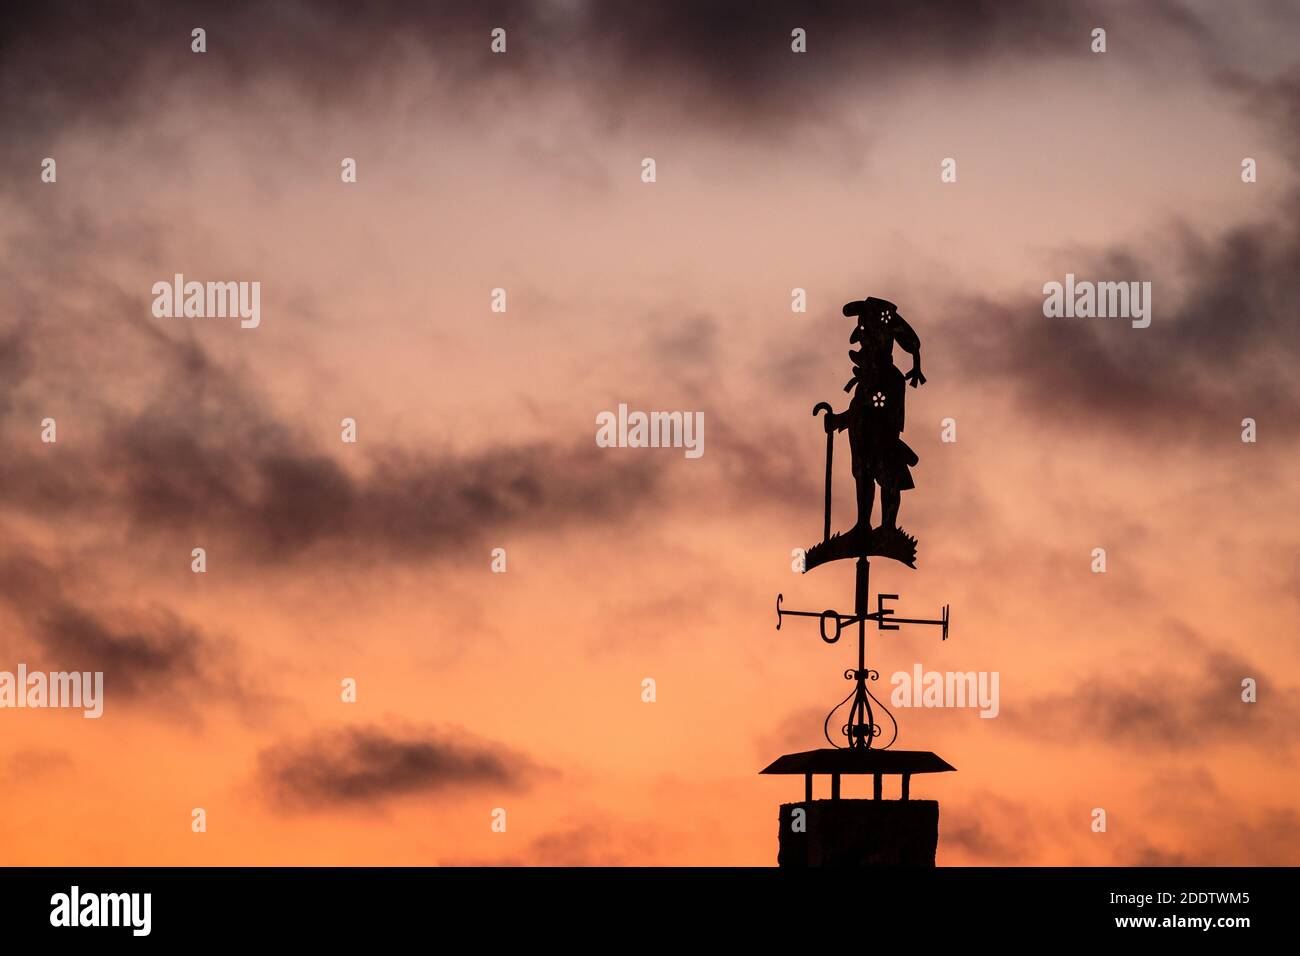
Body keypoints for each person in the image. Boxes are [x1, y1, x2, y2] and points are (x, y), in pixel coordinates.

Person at [823, 297, 924, 534]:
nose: (866, 340)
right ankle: (863, 524)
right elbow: (861, 410)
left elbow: (879, 410)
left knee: (887, 479)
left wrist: (857, 414)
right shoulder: (866, 380)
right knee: (862, 475)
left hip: (883, 444)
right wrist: (839, 419)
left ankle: (887, 527)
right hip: (863, 443)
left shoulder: (892, 379)